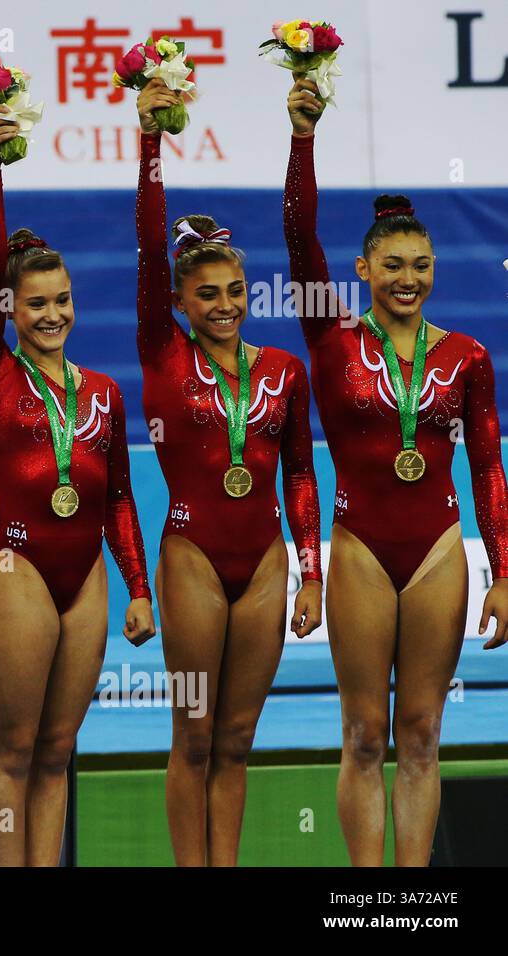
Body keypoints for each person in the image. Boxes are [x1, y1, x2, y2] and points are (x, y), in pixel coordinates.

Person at [282, 76, 508, 865]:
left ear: (435, 266)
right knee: (363, 732)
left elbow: (487, 467)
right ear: (363, 269)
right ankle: (367, 890)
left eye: (420, 264)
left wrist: (504, 573)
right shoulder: (331, 336)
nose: (407, 278)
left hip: (440, 549)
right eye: (391, 265)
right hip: (360, 549)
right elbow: (296, 237)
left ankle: (408, 898)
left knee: (420, 732)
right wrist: (303, 137)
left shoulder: (467, 357)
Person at [132, 80, 322, 866]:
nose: (224, 303)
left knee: (239, 737)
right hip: (191, 560)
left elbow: (303, 475)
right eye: (205, 293)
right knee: (195, 731)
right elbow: (149, 244)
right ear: (176, 301)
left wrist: (310, 573)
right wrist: (149, 143)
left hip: (267, 559)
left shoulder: (282, 369)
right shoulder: (162, 354)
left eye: (236, 291)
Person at [0, 108, 156, 866]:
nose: (53, 314)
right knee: (12, 751)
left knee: (57, 750)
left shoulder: (103, 392)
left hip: (86, 580)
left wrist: (137, 586)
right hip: (18, 567)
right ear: (11, 310)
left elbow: (116, 498)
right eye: (36, 303)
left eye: (62, 300)